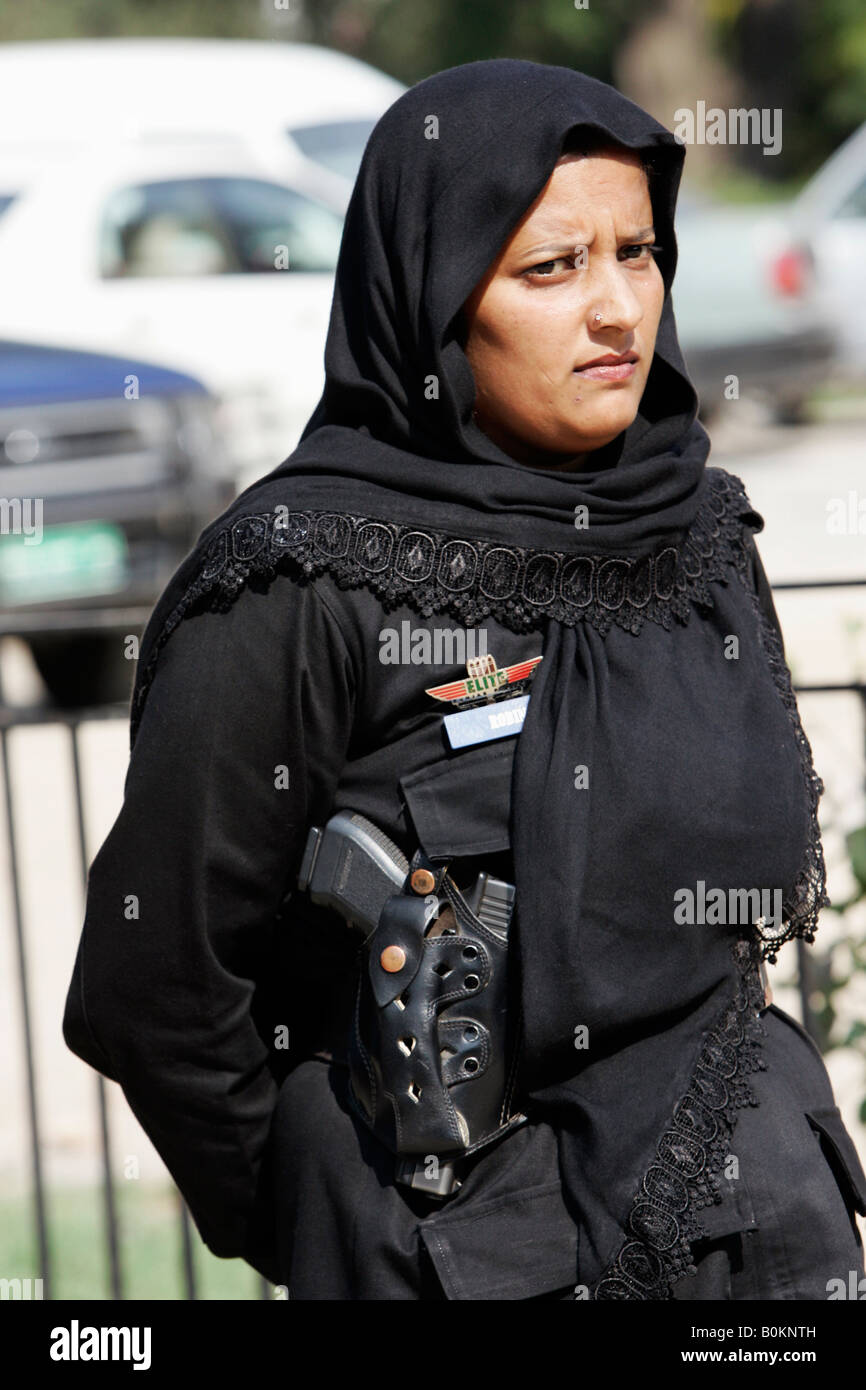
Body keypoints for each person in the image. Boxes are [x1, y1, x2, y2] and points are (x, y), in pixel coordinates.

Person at [63, 58, 866, 1301]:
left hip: (753, 1239)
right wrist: (316, 1207)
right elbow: (152, 983)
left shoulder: (698, 530)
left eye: (638, 253)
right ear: (434, 295)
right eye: (551, 267)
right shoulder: (304, 580)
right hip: (461, 1258)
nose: (616, 308)